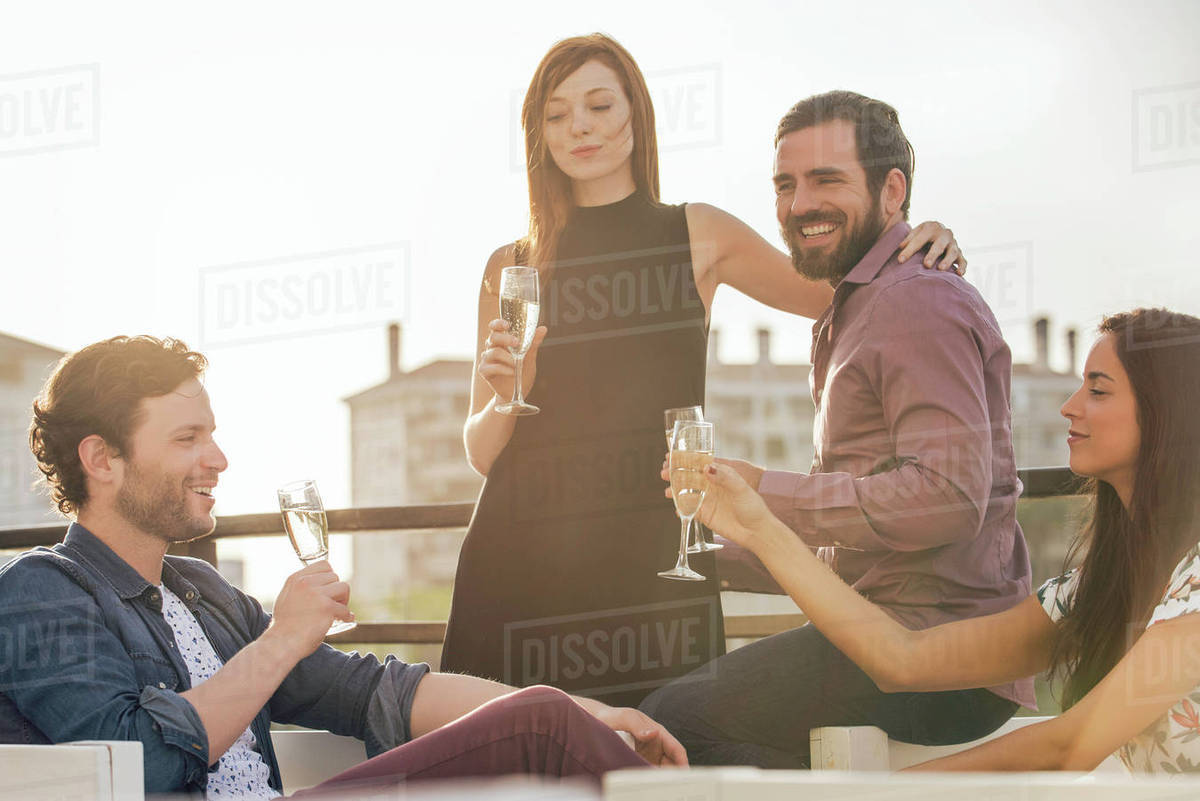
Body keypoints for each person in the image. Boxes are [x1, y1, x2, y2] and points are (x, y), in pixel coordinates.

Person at [443, 33, 968, 709]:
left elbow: (839, 292)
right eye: (557, 114)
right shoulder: (511, 266)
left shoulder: (698, 233)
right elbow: (482, 453)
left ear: (637, 115)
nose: (579, 127)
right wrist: (506, 397)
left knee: (663, 745)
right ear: (537, 134)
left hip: (656, 562)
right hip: (517, 561)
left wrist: (914, 241)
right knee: (503, 757)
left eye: (600, 106)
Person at [0, 335, 684, 799]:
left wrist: (597, 713)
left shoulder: (202, 593)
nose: (219, 458)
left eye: (212, 434)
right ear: (102, 459)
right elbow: (136, 763)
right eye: (187, 438)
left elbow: (377, 690)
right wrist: (280, 641)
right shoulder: (41, 592)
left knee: (543, 719)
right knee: (540, 727)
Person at [639, 90, 1033, 767]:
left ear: (892, 191)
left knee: (669, 727)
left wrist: (765, 495)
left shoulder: (915, 300)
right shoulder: (857, 307)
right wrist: (708, 548)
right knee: (673, 706)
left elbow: (947, 498)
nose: (799, 205)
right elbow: (859, 535)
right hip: (881, 628)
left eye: (826, 180)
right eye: (785, 185)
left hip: (942, 658)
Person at [695, 308, 1200, 774]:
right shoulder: (1096, 587)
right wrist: (760, 528)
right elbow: (902, 659)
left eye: (1098, 391)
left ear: (1169, 411)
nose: (1069, 407)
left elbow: (1069, 746)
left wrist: (881, 793)